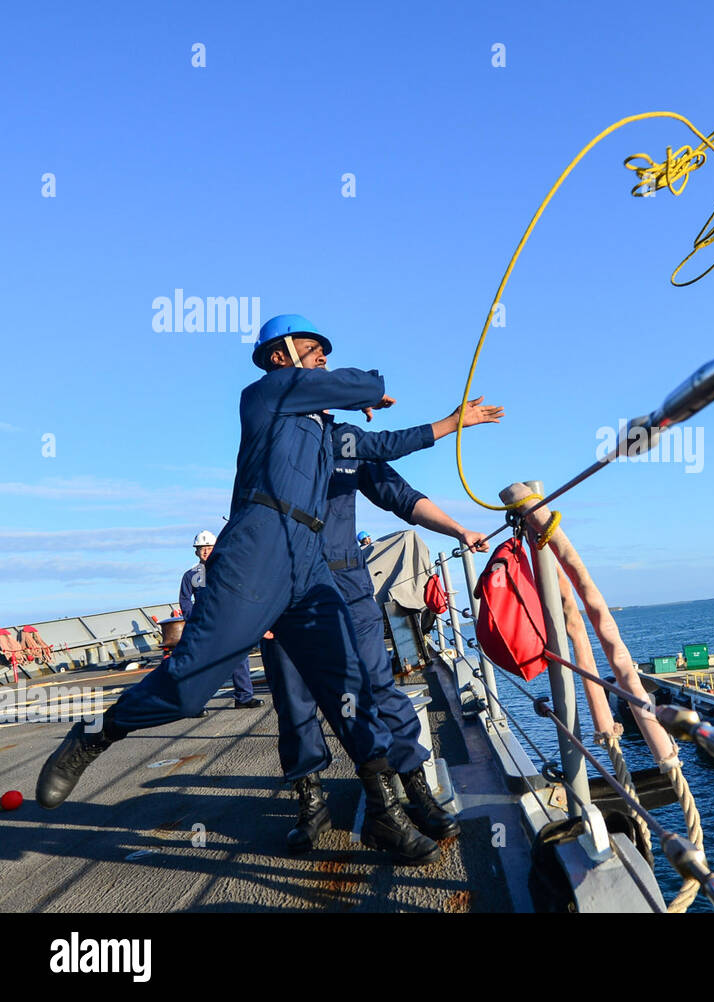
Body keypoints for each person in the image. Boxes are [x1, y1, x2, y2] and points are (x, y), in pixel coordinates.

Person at [36, 314, 441, 864]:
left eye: (325, 351)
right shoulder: (265, 395)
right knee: (188, 686)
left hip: (311, 557)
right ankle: (94, 734)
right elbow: (363, 385)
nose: (321, 355)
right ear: (280, 355)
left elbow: (377, 444)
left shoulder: (322, 428)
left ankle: (386, 816)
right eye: (312, 348)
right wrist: (368, 390)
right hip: (259, 542)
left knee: (353, 685)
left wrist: (442, 423)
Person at [266, 398, 503, 852]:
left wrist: (459, 531)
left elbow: (403, 498)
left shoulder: (348, 442)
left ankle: (413, 790)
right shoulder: (273, 439)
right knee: (294, 699)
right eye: (313, 356)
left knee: (377, 686)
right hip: (287, 589)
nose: (322, 364)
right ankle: (310, 803)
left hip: (347, 584)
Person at [182, 530, 261, 709]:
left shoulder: (226, 568)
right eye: (201, 548)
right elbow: (185, 600)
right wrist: (193, 619)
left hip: (229, 622)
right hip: (205, 625)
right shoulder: (193, 575)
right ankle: (194, 705)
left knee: (239, 659)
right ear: (196, 551)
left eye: (209, 548)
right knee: (201, 665)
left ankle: (244, 698)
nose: (205, 551)